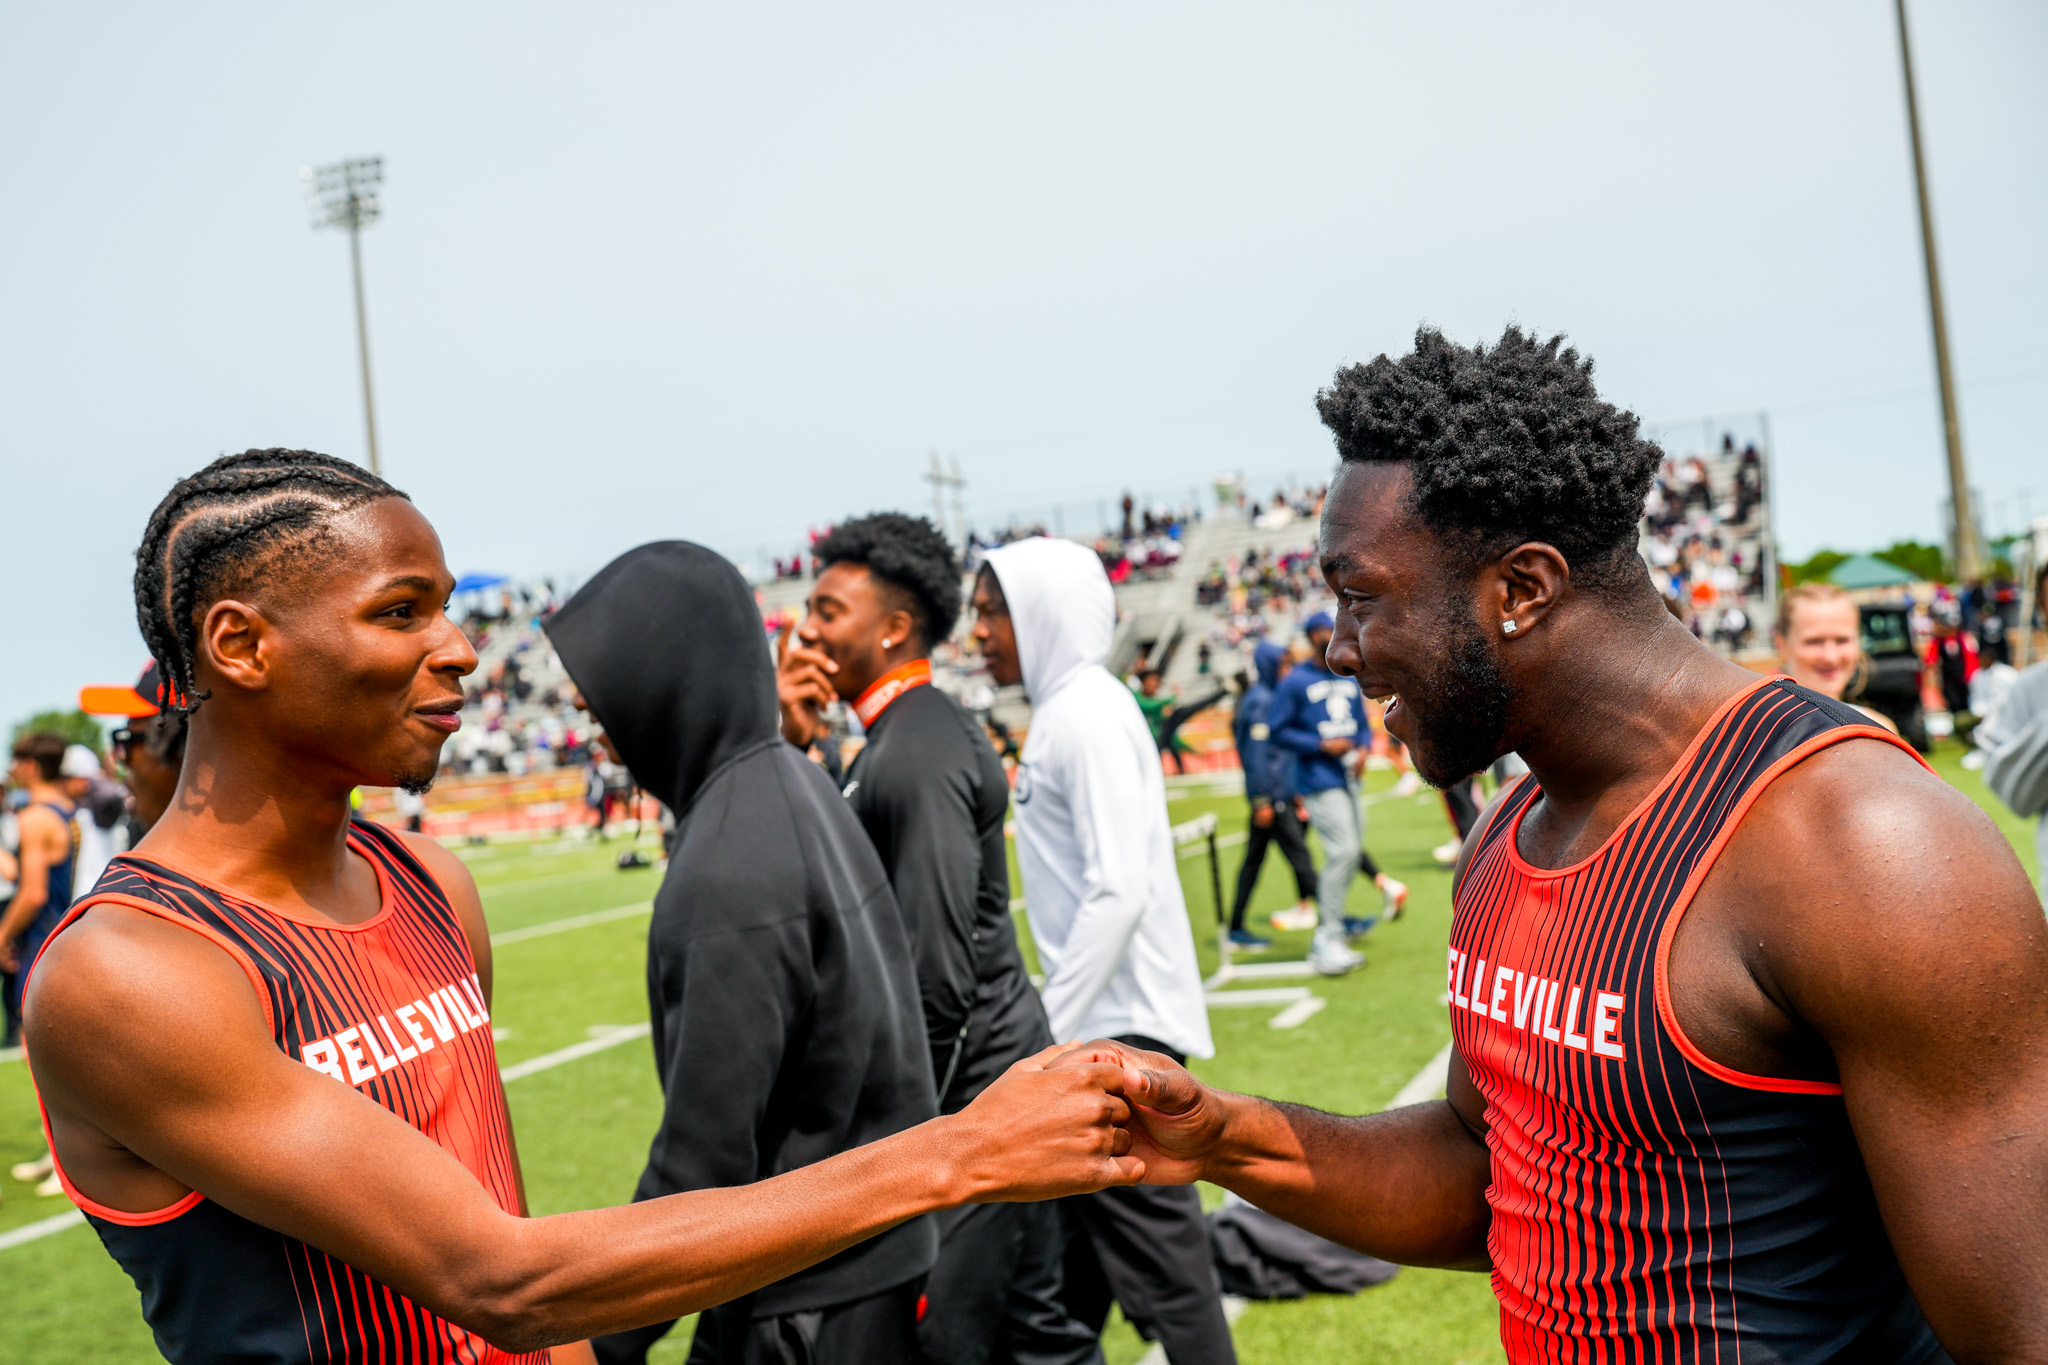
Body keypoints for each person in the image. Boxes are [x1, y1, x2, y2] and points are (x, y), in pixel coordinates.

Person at [25, 450, 1146, 1365]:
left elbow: (504, 1232)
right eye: (401, 612)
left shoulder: (430, 883)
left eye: (451, 609)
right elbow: (495, 1278)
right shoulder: (130, 974)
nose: (459, 652)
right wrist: (962, 1152)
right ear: (240, 645)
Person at [1061, 326, 2048, 1361]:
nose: (1340, 648)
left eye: (1359, 598)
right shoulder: (1509, 829)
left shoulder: (1859, 846)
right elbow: (1485, 1181)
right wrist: (1218, 1135)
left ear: (1521, 589)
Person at [775, 512, 1096, 1365]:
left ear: (892, 628)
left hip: (982, 1097)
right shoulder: (892, 735)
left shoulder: (914, 748)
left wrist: (903, 1141)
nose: (806, 627)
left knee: (952, 1336)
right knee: (1033, 1333)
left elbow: (937, 973)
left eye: (828, 609)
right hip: (990, 1086)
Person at [973, 538, 1236, 1365]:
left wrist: (1044, 1031)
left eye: (993, 610)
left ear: (1042, 612)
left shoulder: (1082, 714)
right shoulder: (1066, 709)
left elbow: (1117, 887)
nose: (977, 630)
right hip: (1103, 1025)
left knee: (1171, 1277)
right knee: (1069, 1274)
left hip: (1115, 1035)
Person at [1265, 613, 1405, 975]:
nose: (1327, 636)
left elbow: (1360, 723)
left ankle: (1335, 930)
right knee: (1342, 851)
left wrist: (1361, 749)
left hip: (1348, 778)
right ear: (1310, 637)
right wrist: (1319, 744)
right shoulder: (1295, 681)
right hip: (1316, 777)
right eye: (1320, 632)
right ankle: (1327, 934)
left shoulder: (1345, 675)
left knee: (1352, 849)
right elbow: (1277, 730)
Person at [1226, 643, 1315, 947]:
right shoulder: (1259, 703)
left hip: (1281, 794)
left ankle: (1235, 927)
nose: (1286, 671)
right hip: (1272, 799)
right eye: (1281, 665)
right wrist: (1261, 799)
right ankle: (1338, 919)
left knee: (1254, 862)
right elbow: (1256, 756)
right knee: (1300, 858)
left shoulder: (1270, 697)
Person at [1773, 582, 1899, 733]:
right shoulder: (1762, 732)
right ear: (1781, 645)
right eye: (1814, 641)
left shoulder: (1878, 728)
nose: (1830, 657)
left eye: (1842, 640)